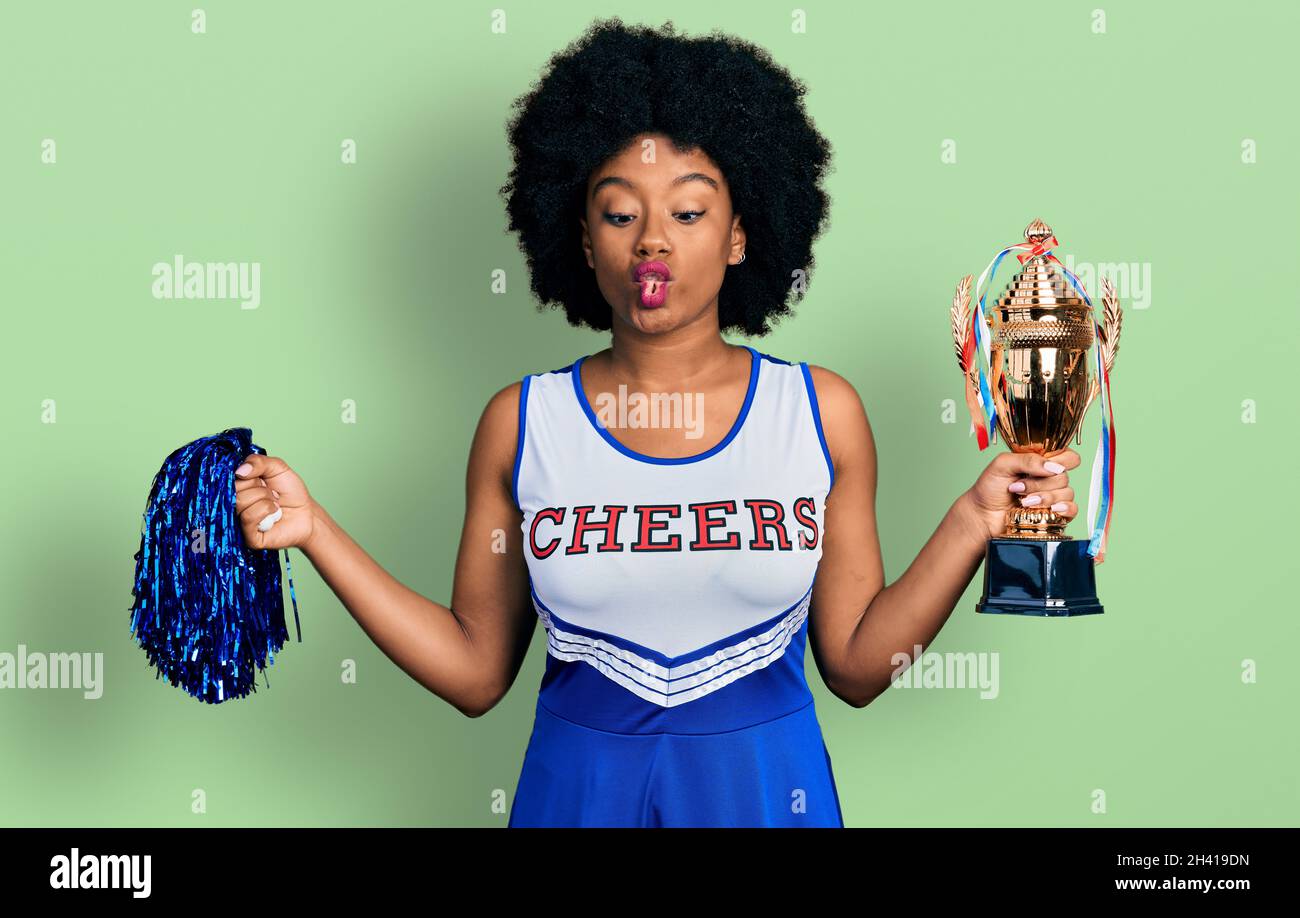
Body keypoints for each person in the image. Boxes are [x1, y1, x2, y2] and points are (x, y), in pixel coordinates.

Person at [230, 18, 1081, 827]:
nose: (651, 243)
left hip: (765, 790)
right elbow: (475, 671)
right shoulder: (522, 424)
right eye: (619, 212)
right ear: (581, 234)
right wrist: (315, 532)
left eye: (688, 211)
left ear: (742, 235)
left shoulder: (820, 414)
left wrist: (976, 521)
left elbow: (858, 667)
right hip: (577, 794)